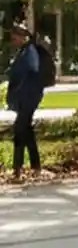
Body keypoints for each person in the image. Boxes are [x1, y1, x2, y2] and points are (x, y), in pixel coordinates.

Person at [5, 23, 43, 179]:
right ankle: (35, 167)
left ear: (21, 37)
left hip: (29, 98)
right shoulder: (23, 52)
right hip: (24, 98)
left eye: (14, 38)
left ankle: (17, 169)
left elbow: (31, 71)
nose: (13, 41)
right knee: (26, 131)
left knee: (19, 131)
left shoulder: (29, 52)